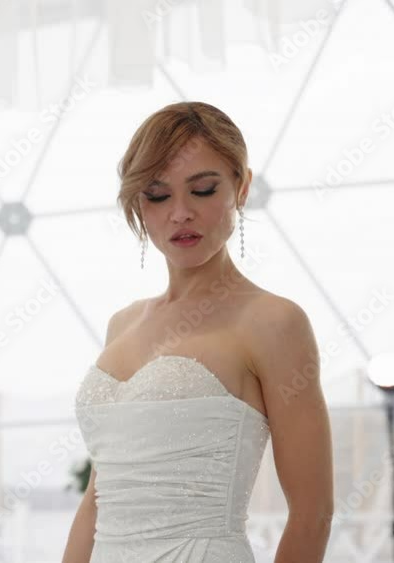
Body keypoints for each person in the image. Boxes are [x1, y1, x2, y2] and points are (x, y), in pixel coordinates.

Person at [61, 101, 334, 562]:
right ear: (137, 203)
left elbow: (313, 514)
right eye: (158, 194)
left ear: (242, 187)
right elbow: (98, 499)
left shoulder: (273, 322)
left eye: (203, 190)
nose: (181, 213)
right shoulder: (122, 324)